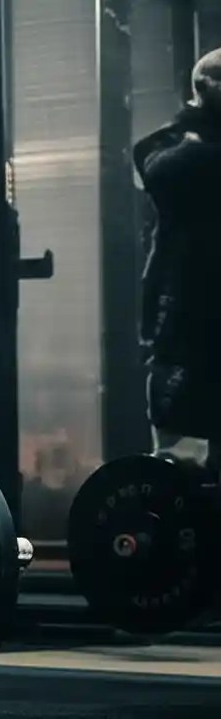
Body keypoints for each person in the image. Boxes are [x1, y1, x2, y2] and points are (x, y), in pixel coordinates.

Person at [133, 47, 221, 473]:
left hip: (186, 311)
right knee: (179, 453)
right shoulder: (175, 149)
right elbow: (162, 168)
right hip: (189, 311)